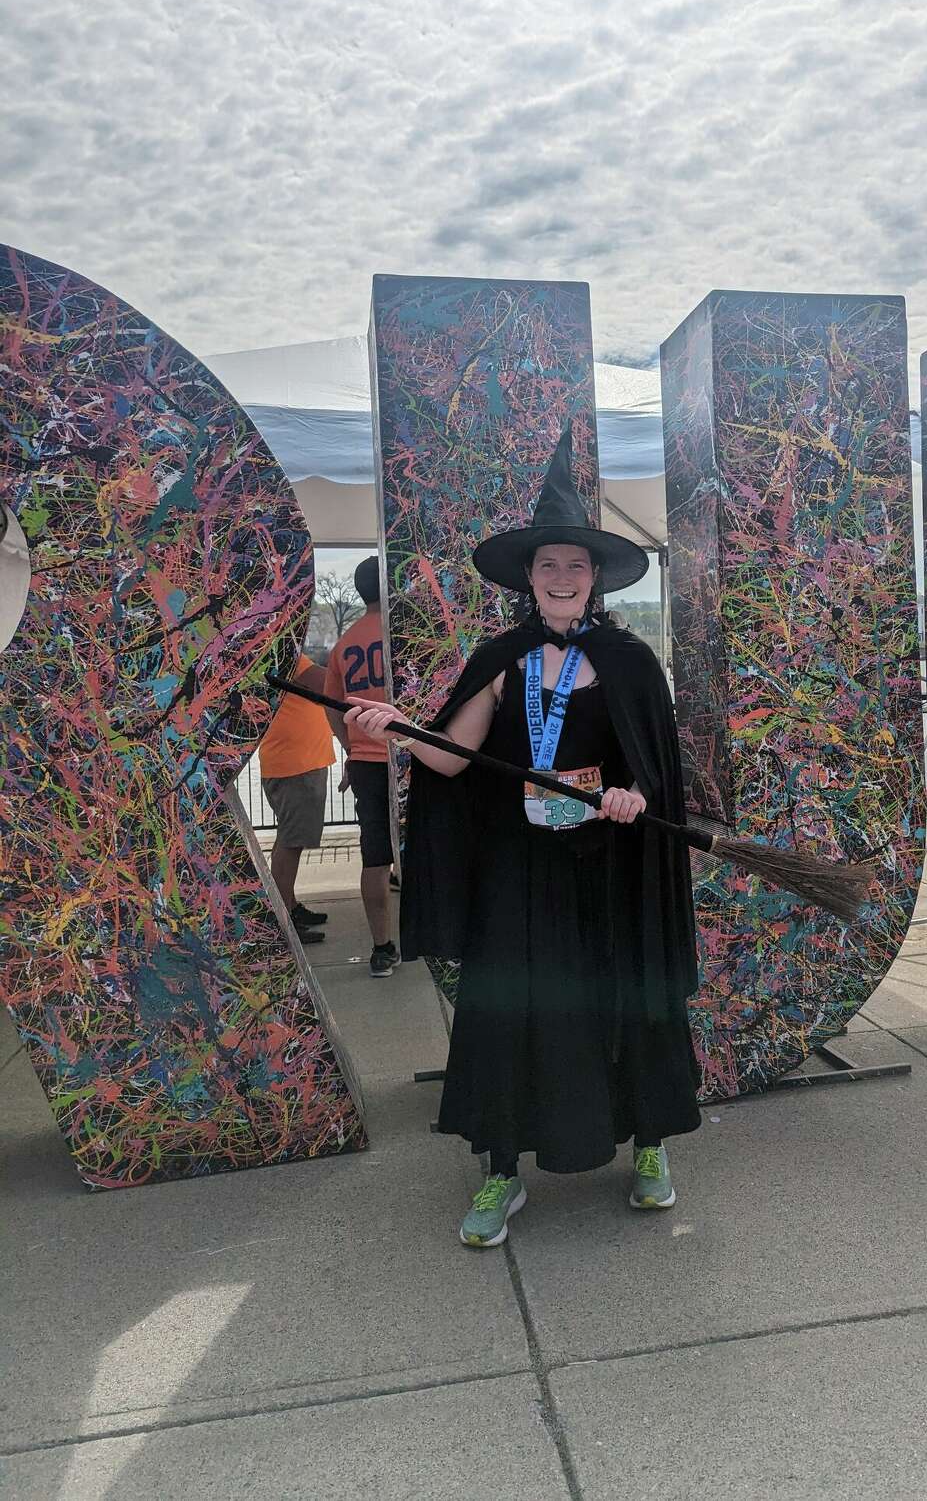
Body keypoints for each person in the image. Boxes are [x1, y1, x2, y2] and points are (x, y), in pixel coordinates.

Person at [347, 426, 700, 1248]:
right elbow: (450, 761)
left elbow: (656, 769)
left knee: (626, 1000)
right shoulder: (501, 656)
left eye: (577, 565)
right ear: (529, 577)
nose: (564, 577)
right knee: (508, 1009)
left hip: (607, 866)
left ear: (598, 577)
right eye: (549, 564)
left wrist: (631, 796)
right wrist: (397, 728)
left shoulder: (631, 660)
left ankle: (648, 1147)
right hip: (519, 870)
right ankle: (501, 1166)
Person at [324, 556, 400, 979]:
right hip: (410, 757)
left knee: (374, 855)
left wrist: (351, 749)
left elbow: (333, 710)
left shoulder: (345, 643)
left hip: (367, 763)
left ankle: (381, 947)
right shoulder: (403, 636)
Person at [259, 651, 334, 945]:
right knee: (291, 842)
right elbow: (328, 684)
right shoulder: (289, 657)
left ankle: (289, 905)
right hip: (296, 766)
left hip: (296, 763)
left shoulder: (284, 658)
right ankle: (281, 920)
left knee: (289, 839)